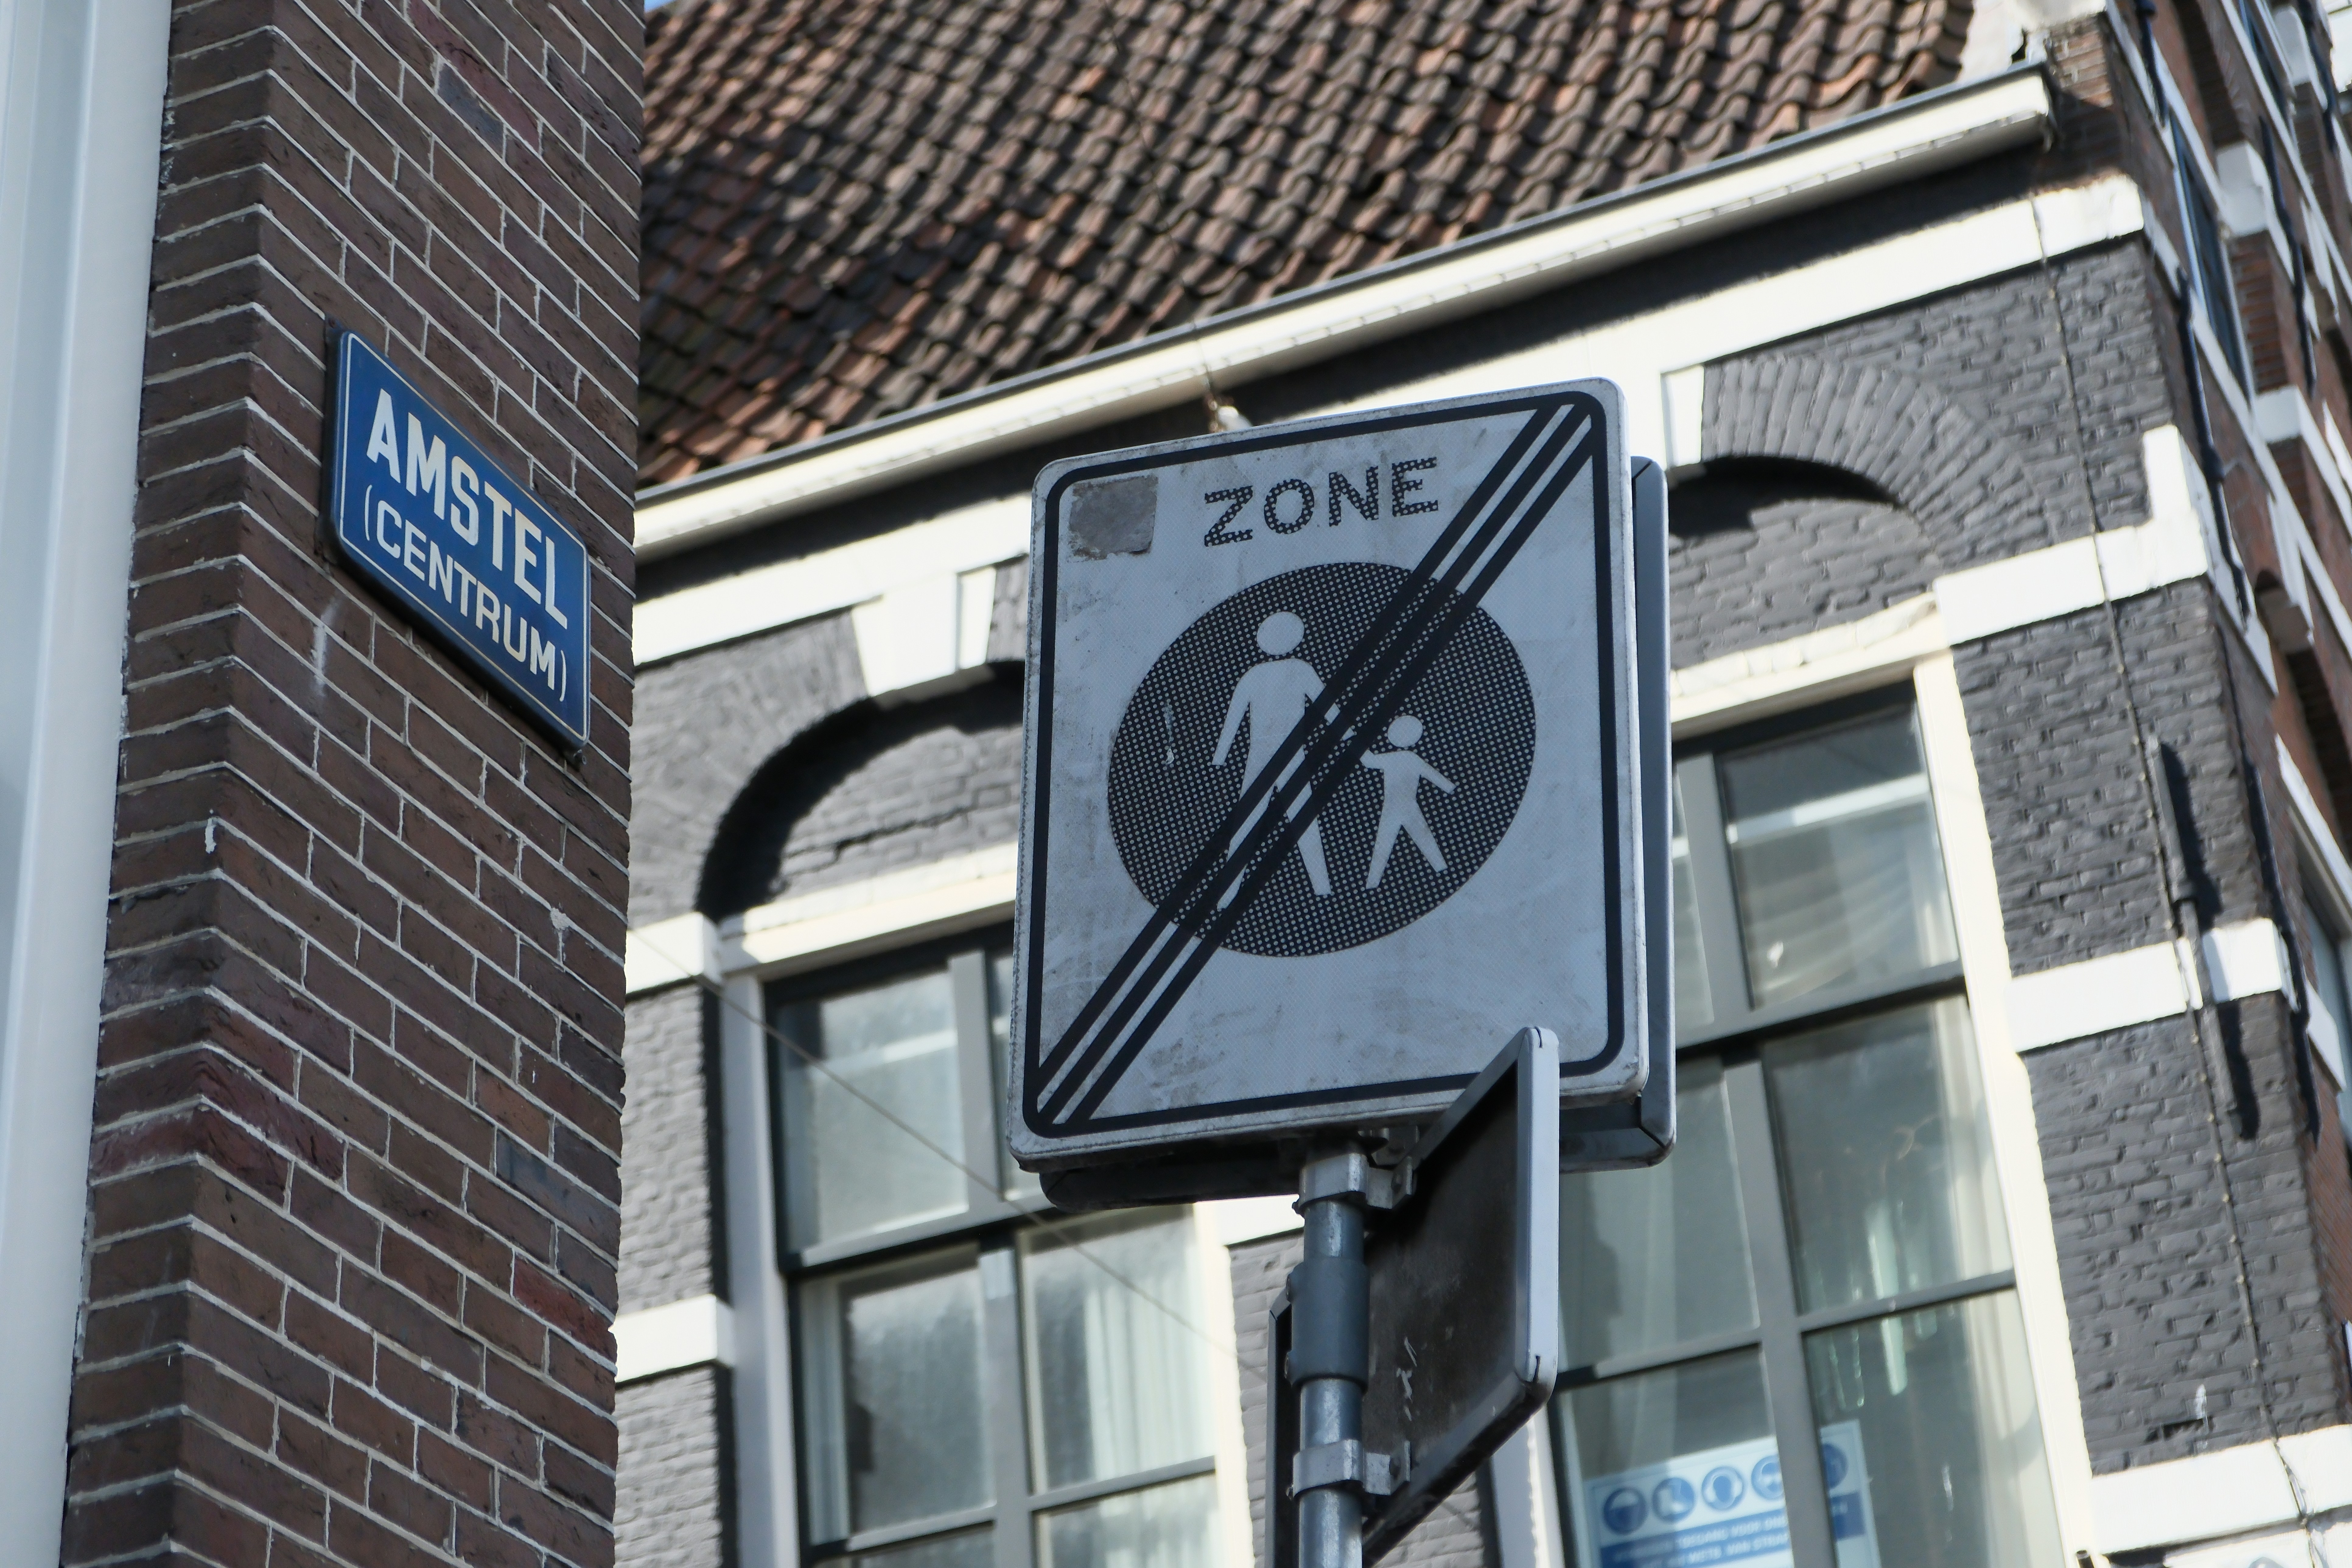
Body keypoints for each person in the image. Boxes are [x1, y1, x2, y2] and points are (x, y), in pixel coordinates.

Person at [1212, 611, 1333, 896]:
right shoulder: (1300, 669)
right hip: (1286, 752)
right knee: (1302, 817)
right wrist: (1349, 735)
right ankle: (1323, 889)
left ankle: (1227, 895)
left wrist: (1220, 758)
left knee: (1250, 822)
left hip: (1266, 753)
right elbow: (1327, 707)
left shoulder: (1255, 675)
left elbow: (1233, 719)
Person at [1361, 714, 1454, 888]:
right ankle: (1443, 870)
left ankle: (1372, 883)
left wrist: (1355, 741)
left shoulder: (1394, 758)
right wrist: (1449, 788)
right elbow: (1435, 776)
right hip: (1405, 806)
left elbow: (1369, 761)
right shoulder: (1411, 758)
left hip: (1396, 807)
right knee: (1423, 840)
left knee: (1385, 844)